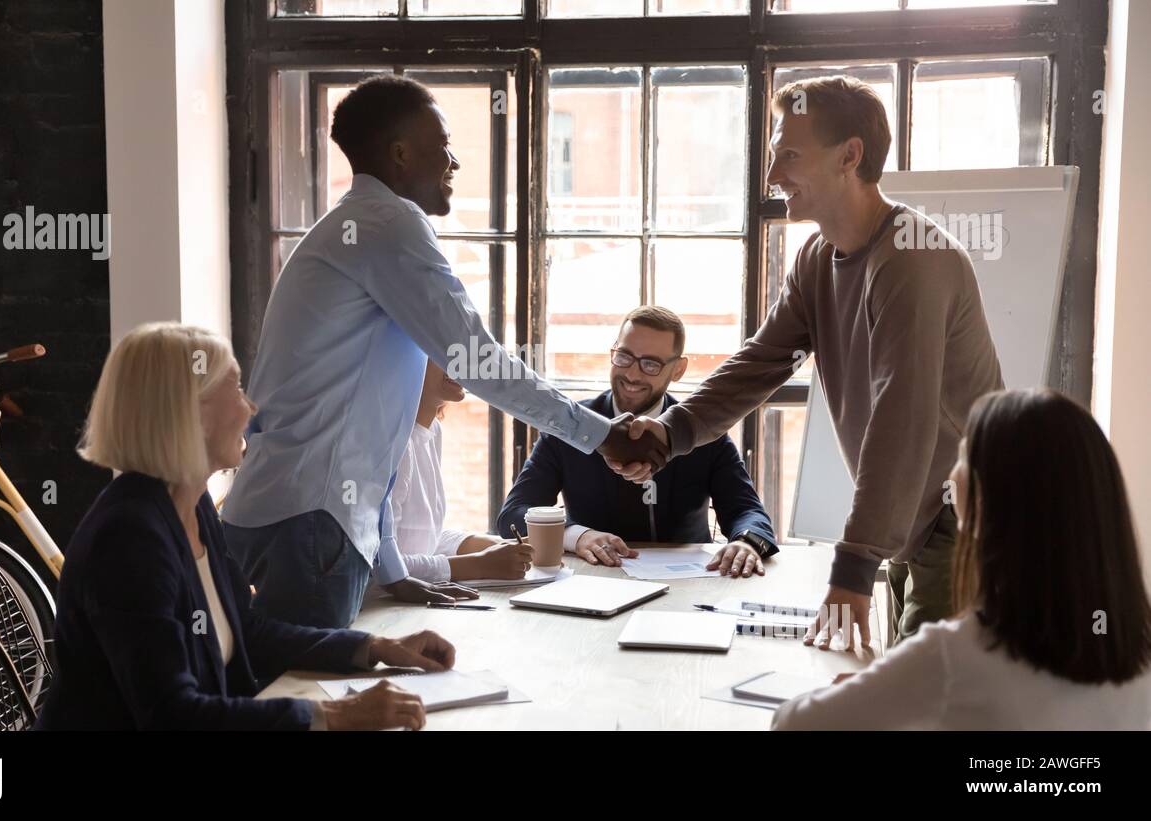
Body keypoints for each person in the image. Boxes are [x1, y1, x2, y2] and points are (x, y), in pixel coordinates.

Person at [221, 76, 666, 629]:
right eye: (444, 144)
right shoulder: (390, 222)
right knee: (322, 696)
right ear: (401, 154)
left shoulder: (345, 229)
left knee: (283, 683)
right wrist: (601, 434)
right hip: (313, 519)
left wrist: (392, 568)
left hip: (273, 508)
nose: (454, 161)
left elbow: (367, 440)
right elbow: (476, 361)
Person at [612, 76, 1003, 650]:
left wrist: (853, 565)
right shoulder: (819, 258)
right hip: (911, 516)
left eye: (789, 156)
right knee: (894, 683)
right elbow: (762, 363)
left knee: (932, 697)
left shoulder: (912, 259)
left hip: (962, 514)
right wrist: (668, 433)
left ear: (850, 156)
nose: (772, 177)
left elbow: (903, 416)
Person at [37, 323, 456, 731]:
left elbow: (248, 631)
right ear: (191, 412)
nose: (251, 407)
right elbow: (172, 716)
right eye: (236, 389)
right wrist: (336, 717)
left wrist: (376, 647)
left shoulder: (192, 503)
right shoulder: (129, 539)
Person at [772, 389, 1151, 730]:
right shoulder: (1136, 647)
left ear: (986, 500)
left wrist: (876, 689)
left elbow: (793, 725)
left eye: (963, 452)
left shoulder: (953, 657)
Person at [498, 306, 777, 575]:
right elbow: (513, 514)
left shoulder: (702, 430)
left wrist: (746, 543)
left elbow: (748, 511)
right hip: (592, 581)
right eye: (624, 357)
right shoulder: (570, 427)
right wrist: (577, 535)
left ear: (678, 370)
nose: (632, 374)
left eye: (650, 364)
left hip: (688, 585)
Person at [389, 360, 534, 582]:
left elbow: (420, 538)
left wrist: (494, 545)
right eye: (437, 351)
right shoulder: (394, 443)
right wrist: (479, 564)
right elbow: (382, 564)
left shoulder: (432, 431)